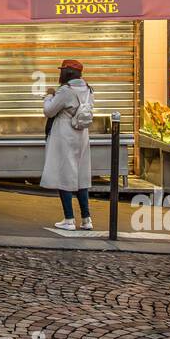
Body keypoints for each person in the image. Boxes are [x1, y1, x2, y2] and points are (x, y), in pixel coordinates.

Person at [41, 59, 95, 231]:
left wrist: (49, 96)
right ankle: (86, 219)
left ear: (67, 73)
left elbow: (49, 111)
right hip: (82, 136)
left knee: (64, 175)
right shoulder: (88, 89)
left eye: (63, 71)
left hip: (65, 136)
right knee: (81, 177)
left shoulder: (65, 91)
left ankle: (69, 219)